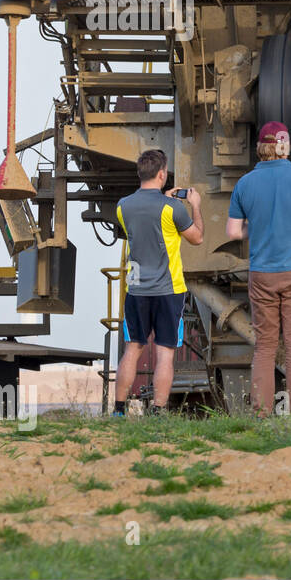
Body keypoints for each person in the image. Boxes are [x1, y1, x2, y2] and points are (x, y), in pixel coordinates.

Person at [226, 121, 291, 416]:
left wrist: (257, 228)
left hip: (261, 275)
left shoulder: (245, 183)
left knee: (264, 347)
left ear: (261, 146)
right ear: (285, 146)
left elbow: (234, 232)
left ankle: (261, 412)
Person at [112, 149, 203, 416]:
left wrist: (163, 201)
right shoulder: (172, 207)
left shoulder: (122, 206)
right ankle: (159, 411)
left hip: (137, 289)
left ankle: (118, 410)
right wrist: (194, 205)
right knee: (165, 353)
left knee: (133, 348)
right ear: (162, 174)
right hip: (169, 289)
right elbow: (196, 238)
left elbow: (146, 222)